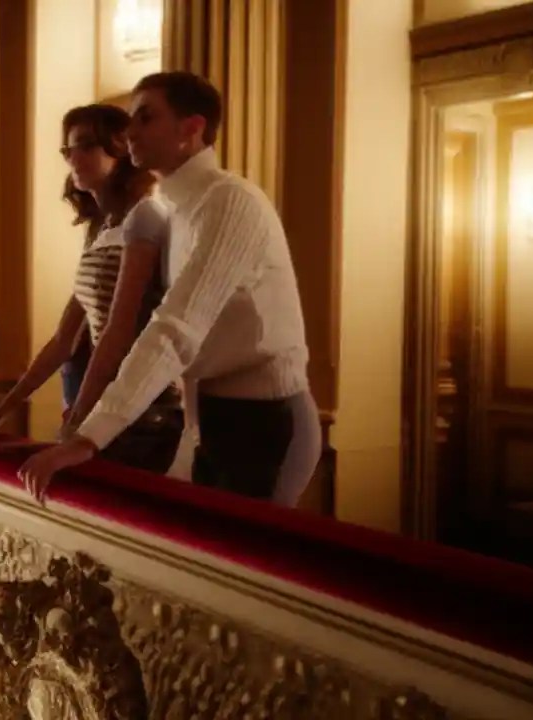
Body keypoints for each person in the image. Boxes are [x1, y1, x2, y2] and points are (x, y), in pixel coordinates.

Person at [18, 71, 322, 506]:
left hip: (269, 422)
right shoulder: (172, 211)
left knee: (242, 569)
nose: (130, 132)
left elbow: (175, 328)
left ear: (191, 128)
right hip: (211, 417)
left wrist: (86, 438)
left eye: (145, 118)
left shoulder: (229, 200)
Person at [0, 104, 183, 473]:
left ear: (119, 150)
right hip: (102, 411)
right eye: (69, 150)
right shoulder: (100, 227)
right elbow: (63, 340)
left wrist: (77, 427)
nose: (74, 159)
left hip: (140, 413)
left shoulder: (146, 215)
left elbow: (118, 334)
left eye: (87, 146)